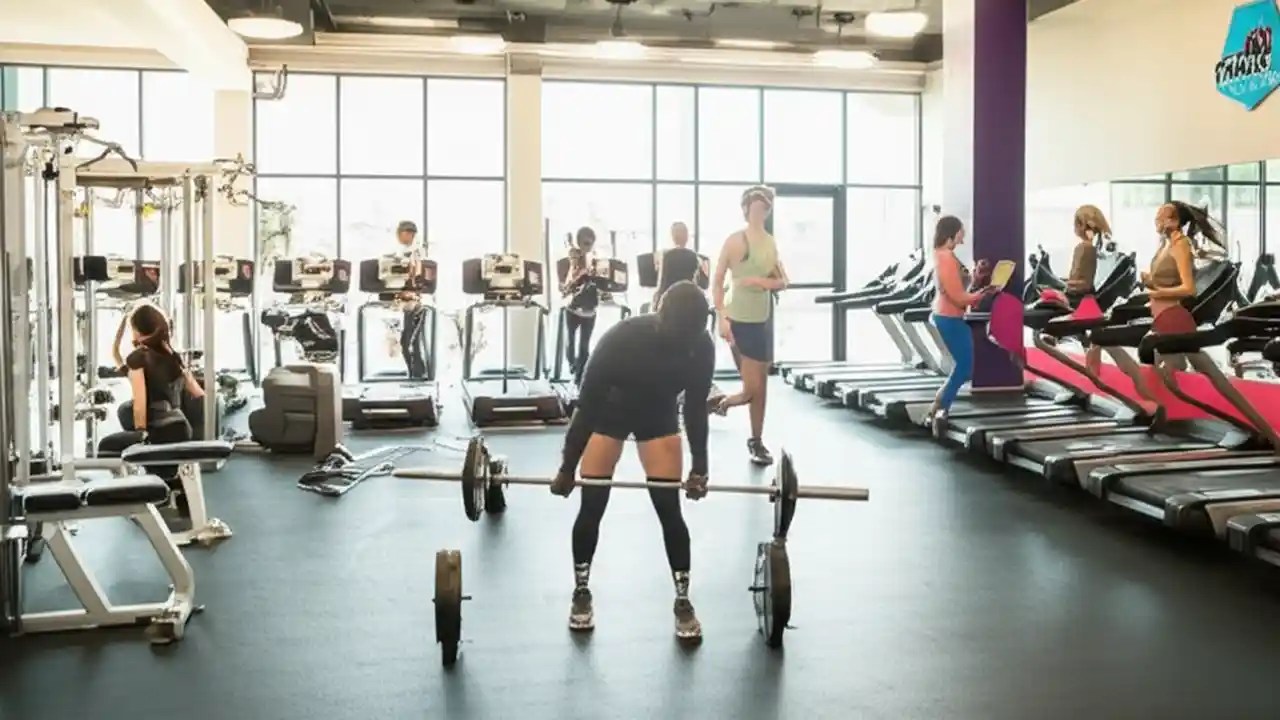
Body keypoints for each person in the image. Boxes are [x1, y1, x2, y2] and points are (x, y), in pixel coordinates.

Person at [550, 282, 715, 641]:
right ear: (659, 318)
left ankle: (682, 598)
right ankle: (581, 591)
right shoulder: (619, 341)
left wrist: (700, 466)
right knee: (592, 503)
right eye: (677, 337)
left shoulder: (701, 346)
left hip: (657, 416)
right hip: (608, 413)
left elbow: (697, 407)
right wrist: (567, 467)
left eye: (688, 338)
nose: (682, 344)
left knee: (669, 509)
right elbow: (586, 409)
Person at [1083, 201, 1222, 383]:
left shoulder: (1181, 245)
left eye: (1163, 217)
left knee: (1101, 337)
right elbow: (1167, 280)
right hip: (1159, 316)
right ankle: (1099, 386)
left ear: (1175, 221)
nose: (1157, 220)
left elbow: (1188, 289)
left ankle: (1094, 386)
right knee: (1101, 338)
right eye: (1157, 216)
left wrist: (1156, 294)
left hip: (1172, 317)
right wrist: (1149, 280)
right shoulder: (1166, 245)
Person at [709, 186, 788, 466]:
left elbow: (783, 280)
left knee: (761, 387)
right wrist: (721, 316)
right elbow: (717, 280)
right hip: (738, 318)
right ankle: (724, 402)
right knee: (751, 389)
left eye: (764, 207)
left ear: (767, 210)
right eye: (754, 207)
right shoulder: (735, 241)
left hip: (762, 318)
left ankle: (756, 440)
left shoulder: (770, 242)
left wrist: (760, 282)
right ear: (745, 210)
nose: (759, 212)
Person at [923, 216, 998, 433]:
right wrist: (982, 295)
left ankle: (940, 403)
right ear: (953, 233)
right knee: (965, 366)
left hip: (951, 317)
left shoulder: (945, 255)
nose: (963, 237)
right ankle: (940, 404)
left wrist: (976, 279)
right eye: (961, 233)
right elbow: (958, 297)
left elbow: (959, 287)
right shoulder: (945, 257)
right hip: (949, 318)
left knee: (966, 366)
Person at [113, 304, 206, 443]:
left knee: (123, 413)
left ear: (137, 331)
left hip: (158, 430)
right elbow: (199, 395)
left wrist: (140, 438)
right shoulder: (173, 356)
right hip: (182, 428)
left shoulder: (138, 358)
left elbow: (140, 404)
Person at [562, 226, 600, 385]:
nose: (588, 247)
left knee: (584, 345)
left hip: (589, 309)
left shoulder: (594, 261)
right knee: (570, 341)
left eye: (591, 244)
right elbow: (570, 250)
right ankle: (573, 366)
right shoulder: (575, 256)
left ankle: (580, 376)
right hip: (573, 306)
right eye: (585, 243)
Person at [396, 220, 430, 379]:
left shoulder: (416, 253)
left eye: (410, 233)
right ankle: (415, 373)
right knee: (409, 342)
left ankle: (418, 374)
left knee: (411, 342)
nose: (406, 236)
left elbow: (417, 278)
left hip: (415, 305)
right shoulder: (401, 253)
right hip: (407, 304)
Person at [654, 221, 709, 306]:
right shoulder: (696, 258)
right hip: (690, 305)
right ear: (686, 237)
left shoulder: (664, 256)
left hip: (666, 305)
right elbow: (704, 284)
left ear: (672, 237)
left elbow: (660, 283)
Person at [1066, 205, 1111, 296]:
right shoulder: (1103, 248)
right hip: (1094, 300)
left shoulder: (1084, 248)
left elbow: (1075, 279)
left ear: (1080, 225)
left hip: (1080, 301)